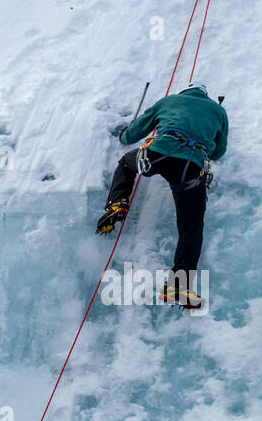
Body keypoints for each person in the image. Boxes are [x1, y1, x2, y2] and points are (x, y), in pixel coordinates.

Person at [96, 83, 228, 309]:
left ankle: (117, 203)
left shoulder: (170, 100)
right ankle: (178, 285)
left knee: (127, 165)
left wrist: (125, 135)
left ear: (186, 91)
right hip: (191, 167)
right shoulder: (218, 111)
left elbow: (135, 132)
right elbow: (219, 150)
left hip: (156, 155)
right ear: (205, 95)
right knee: (191, 227)